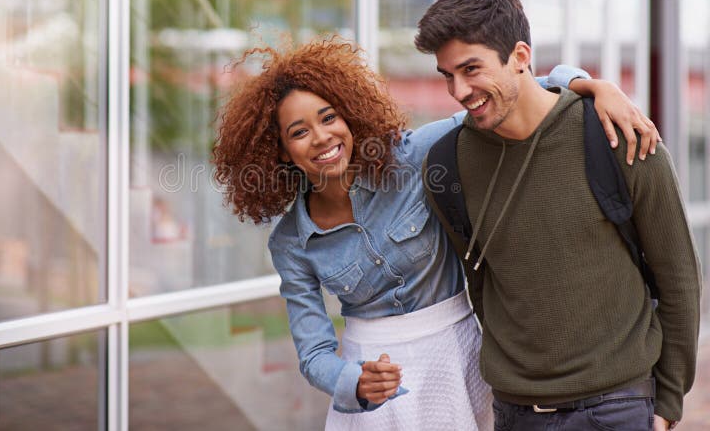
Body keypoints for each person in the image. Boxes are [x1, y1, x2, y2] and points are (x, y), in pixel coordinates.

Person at [212, 37, 659, 430]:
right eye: (299, 132)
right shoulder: (291, 242)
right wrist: (355, 381)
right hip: (377, 379)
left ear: (349, 116)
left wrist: (593, 86)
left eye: (329, 118)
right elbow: (313, 354)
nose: (322, 137)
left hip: (457, 355)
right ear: (281, 152)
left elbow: (513, 93)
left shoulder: (409, 158)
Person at [415, 0, 700, 431]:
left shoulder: (619, 137)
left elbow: (679, 278)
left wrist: (666, 406)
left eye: (471, 69)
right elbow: (482, 282)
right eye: (448, 75)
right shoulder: (447, 167)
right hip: (514, 413)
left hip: (618, 409)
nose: (459, 90)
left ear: (521, 57)